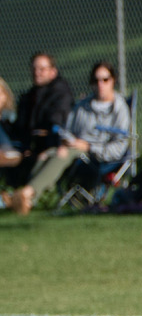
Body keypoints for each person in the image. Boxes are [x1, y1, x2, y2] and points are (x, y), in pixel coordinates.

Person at [0, 61, 129, 215]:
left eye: (105, 79)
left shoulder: (119, 108)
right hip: (73, 148)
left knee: (62, 155)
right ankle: (24, 200)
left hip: (98, 155)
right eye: (96, 80)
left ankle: (25, 195)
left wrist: (88, 146)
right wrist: (66, 142)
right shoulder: (83, 105)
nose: (100, 84)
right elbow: (67, 130)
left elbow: (119, 145)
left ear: (113, 80)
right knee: (45, 155)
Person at [8, 52, 75, 185]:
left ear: (53, 71)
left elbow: (54, 125)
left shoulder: (60, 94)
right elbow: (21, 126)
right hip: (26, 145)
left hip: (50, 146)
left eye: (42, 69)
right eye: (34, 69)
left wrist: (31, 144)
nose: (37, 72)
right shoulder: (30, 95)